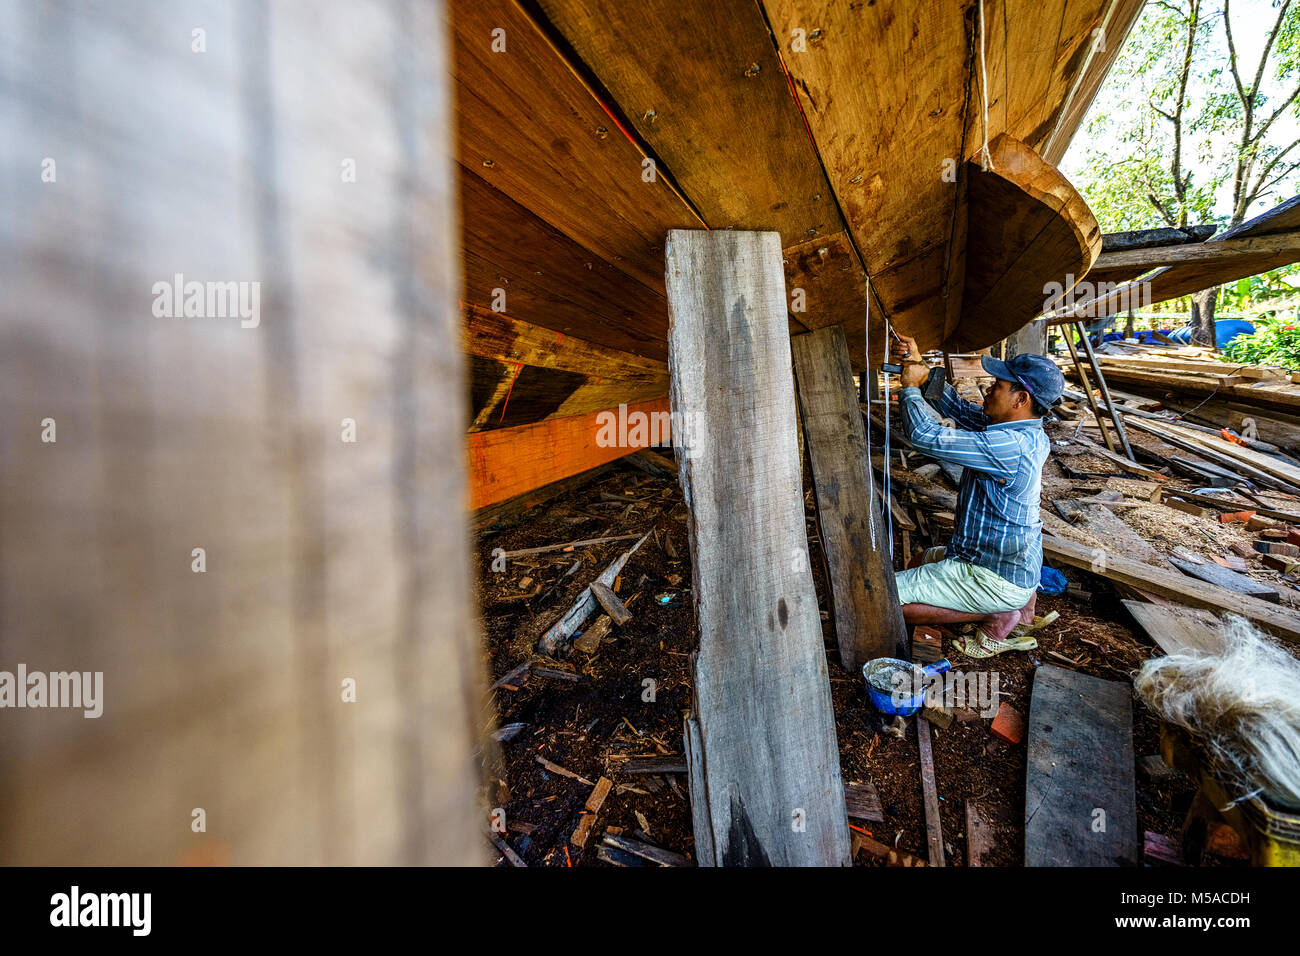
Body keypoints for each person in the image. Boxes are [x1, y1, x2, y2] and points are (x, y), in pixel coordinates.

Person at [892, 336, 1065, 649]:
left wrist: (909, 389)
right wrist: (921, 370)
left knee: (885, 599)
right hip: (992, 559)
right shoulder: (1017, 429)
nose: (988, 388)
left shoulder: (1012, 446)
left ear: (1020, 399)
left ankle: (996, 612)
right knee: (919, 561)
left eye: (997, 385)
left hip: (992, 573)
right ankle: (995, 605)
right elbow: (958, 409)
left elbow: (924, 435)